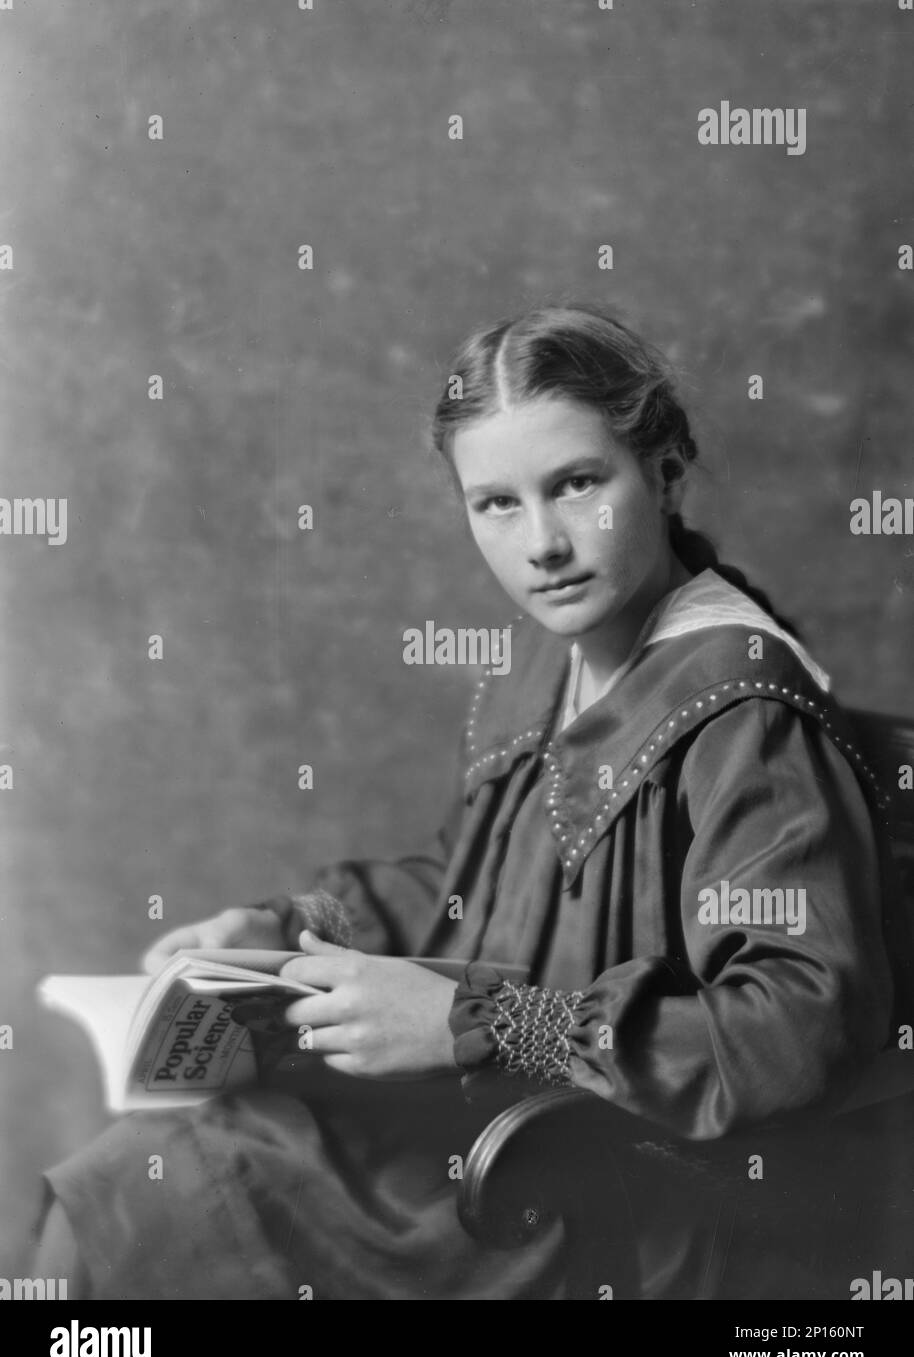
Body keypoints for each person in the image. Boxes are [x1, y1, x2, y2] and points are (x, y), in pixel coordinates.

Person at [32, 303, 902, 1300]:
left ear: (663, 472)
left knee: (177, 1190)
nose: (541, 543)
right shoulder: (543, 660)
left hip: (629, 1188)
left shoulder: (740, 709)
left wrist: (482, 1020)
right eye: (495, 502)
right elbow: (467, 884)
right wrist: (281, 932)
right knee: (148, 1162)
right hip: (506, 1124)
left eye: (576, 485)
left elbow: (792, 1031)